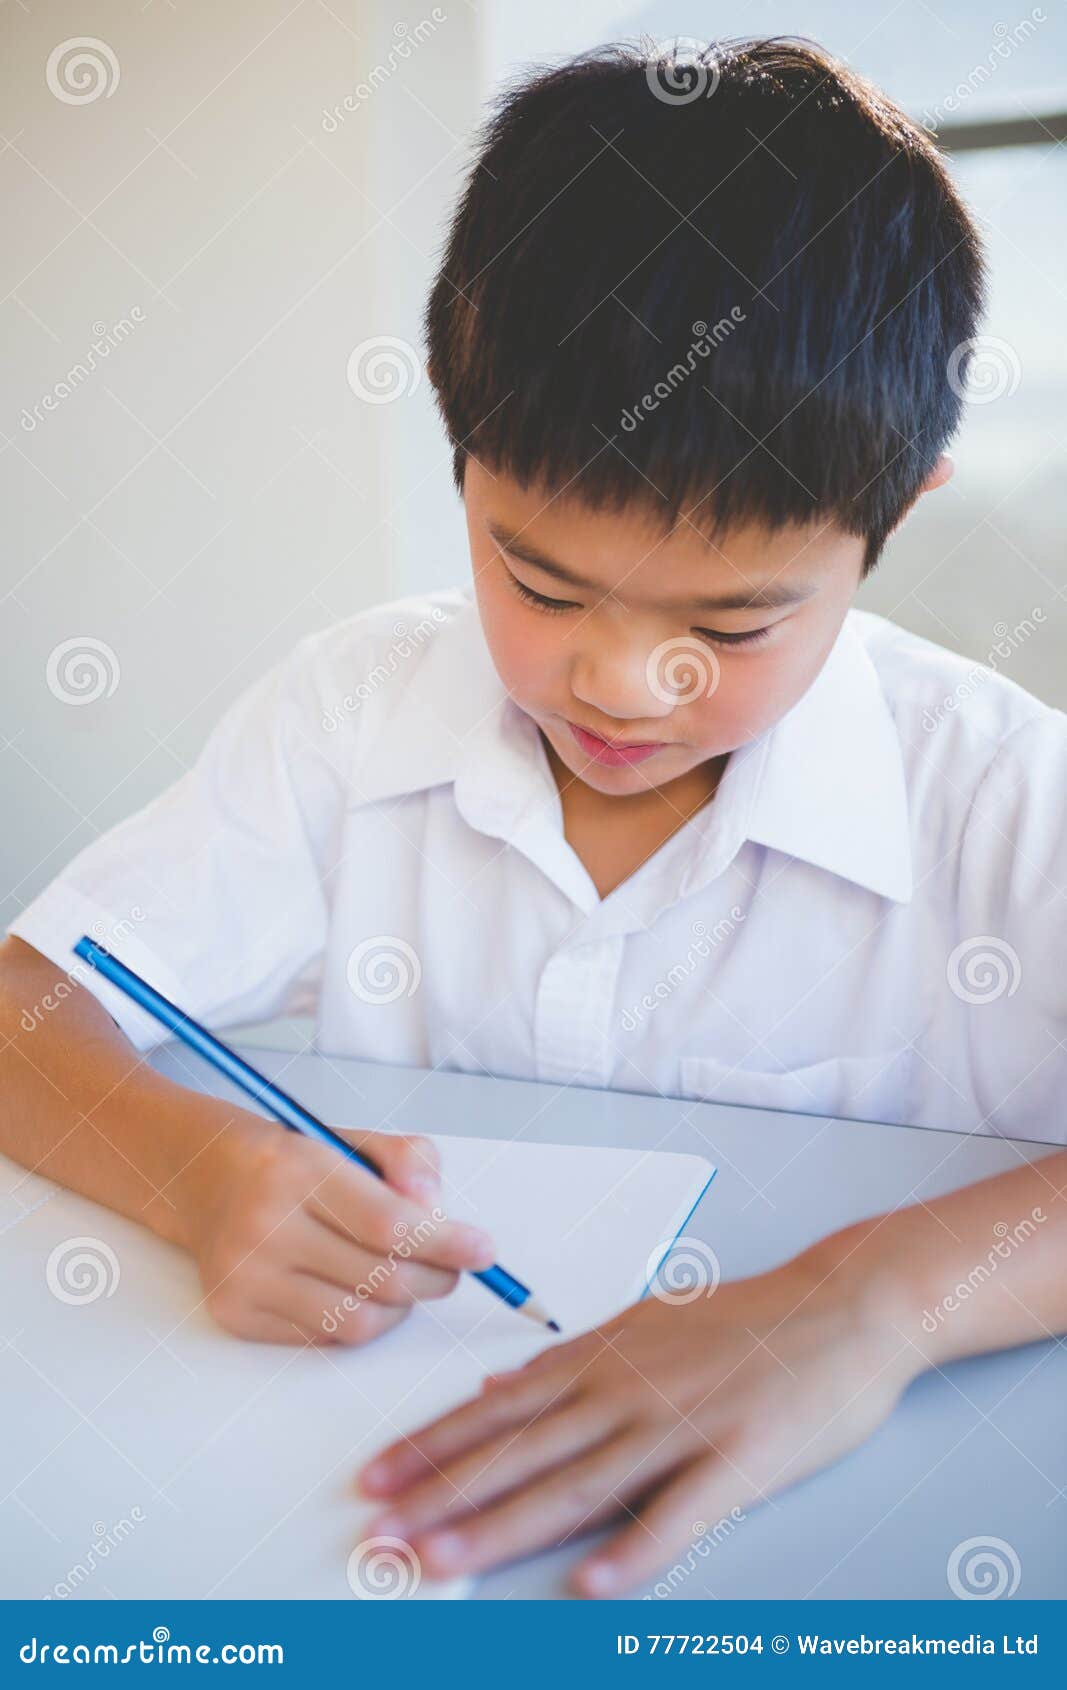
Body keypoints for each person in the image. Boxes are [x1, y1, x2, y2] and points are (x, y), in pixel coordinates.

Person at [3, 38, 1065, 1597]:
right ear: (460, 456)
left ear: (892, 517)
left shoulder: (996, 791)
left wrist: (873, 1300)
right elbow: (30, 1006)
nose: (624, 682)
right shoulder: (351, 709)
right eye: (541, 582)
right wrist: (197, 1169)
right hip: (351, 1530)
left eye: (737, 619)